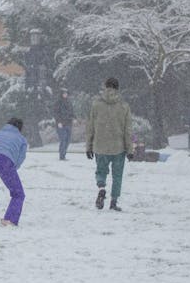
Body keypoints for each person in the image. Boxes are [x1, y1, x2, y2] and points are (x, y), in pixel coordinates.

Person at [86, 77, 134, 212]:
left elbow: (90, 127)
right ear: (117, 88)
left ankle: (101, 188)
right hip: (118, 147)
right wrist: (130, 150)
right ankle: (113, 201)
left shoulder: (96, 105)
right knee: (117, 175)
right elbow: (128, 130)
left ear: (105, 87)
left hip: (100, 145)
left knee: (101, 171)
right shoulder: (124, 106)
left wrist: (89, 146)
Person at [52, 87, 75, 160]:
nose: (65, 94)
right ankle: (62, 155)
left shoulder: (69, 102)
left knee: (68, 140)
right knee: (63, 139)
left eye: (66, 93)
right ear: (61, 94)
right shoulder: (58, 103)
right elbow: (56, 113)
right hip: (61, 125)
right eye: (64, 93)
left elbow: (72, 111)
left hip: (69, 123)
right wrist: (58, 122)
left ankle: (63, 153)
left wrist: (74, 118)